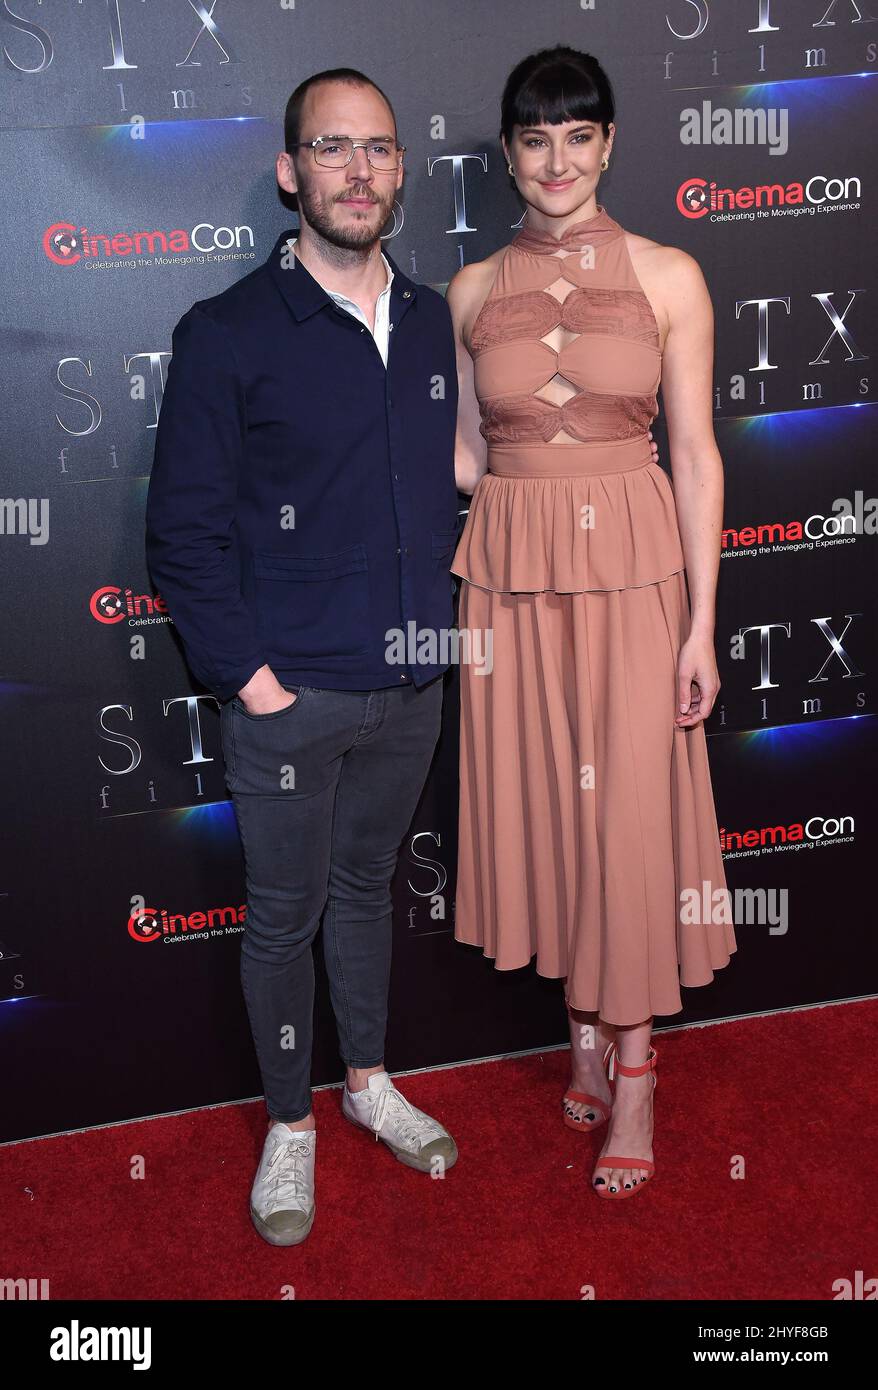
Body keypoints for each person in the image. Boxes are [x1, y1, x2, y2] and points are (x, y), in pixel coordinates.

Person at [145, 68, 462, 1246]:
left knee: (367, 893)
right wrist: (251, 681)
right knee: (282, 920)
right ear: (290, 173)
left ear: (398, 168)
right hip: (287, 698)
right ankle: (291, 1125)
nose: (358, 172)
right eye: (332, 150)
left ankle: (368, 1079)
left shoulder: (429, 318)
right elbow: (181, 531)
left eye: (377, 150)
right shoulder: (227, 332)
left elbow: (448, 476)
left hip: (410, 687)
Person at [447, 46, 736, 1200]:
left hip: (631, 576)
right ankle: (578, 1019)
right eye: (533, 138)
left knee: (624, 815)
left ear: (608, 143)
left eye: (577, 135)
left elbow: (699, 457)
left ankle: (635, 1065)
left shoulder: (670, 274)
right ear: (508, 154)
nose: (555, 160)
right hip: (510, 582)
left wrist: (700, 626)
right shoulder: (467, 294)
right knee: (544, 808)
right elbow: (468, 462)